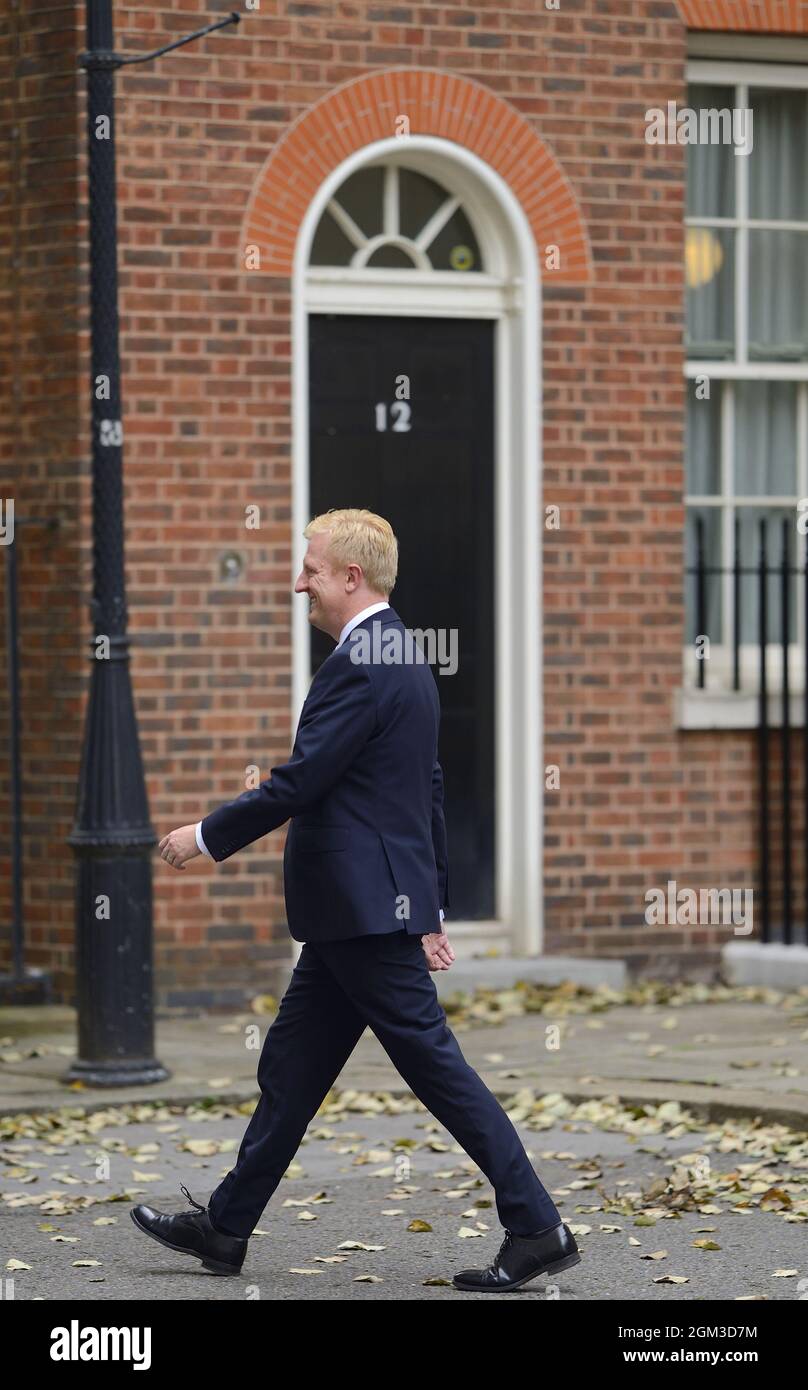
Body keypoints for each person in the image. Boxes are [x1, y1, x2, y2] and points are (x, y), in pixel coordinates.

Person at [131, 508, 580, 1292]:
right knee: (293, 1067)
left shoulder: (361, 663)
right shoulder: (397, 652)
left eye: (310, 566)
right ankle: (227, 1226)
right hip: (360, 912)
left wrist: (204, 836)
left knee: (439, 1072)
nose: (296, 579)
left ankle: (537, 1226)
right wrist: (432, 904)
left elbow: (303, 781)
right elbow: (426, 789)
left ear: (350, 576)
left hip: (361, 912)